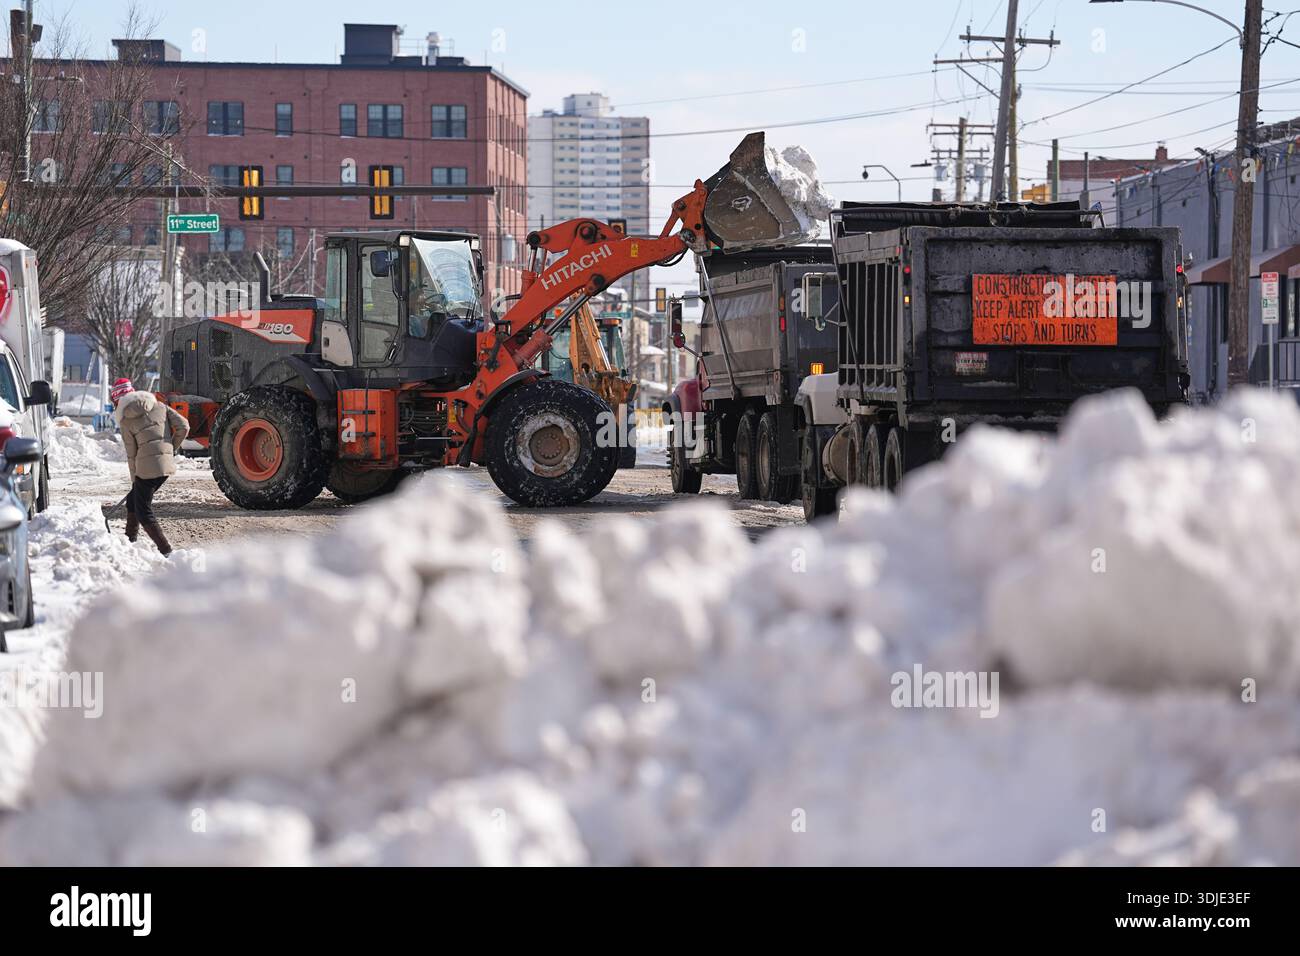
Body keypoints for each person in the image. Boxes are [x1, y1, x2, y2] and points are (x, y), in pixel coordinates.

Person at [110, 378, 189, 555]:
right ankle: (130, 540)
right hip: (165, 466)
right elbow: (184, 426)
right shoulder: (160, 406)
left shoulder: (125, 420)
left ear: (117, 400)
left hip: (146, 469)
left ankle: (166, 551)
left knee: (143, 510)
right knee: (134, 500)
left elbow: (132, 455)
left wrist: (134, 481)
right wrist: (170, 449)